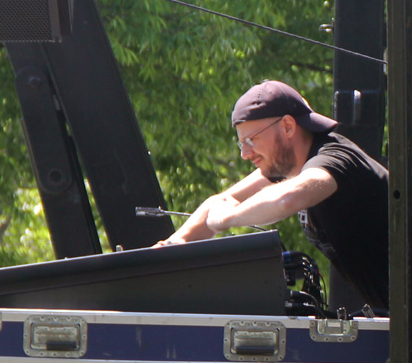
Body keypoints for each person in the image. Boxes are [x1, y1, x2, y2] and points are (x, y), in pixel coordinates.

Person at [161, 80, 390, 310]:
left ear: (288, 126)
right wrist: (172, 246)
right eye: (241, 144)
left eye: (251, 140)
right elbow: (222, 200)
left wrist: (226, 219)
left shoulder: (334, 157)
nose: (245, 154)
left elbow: (286, 199)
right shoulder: (288, 165)